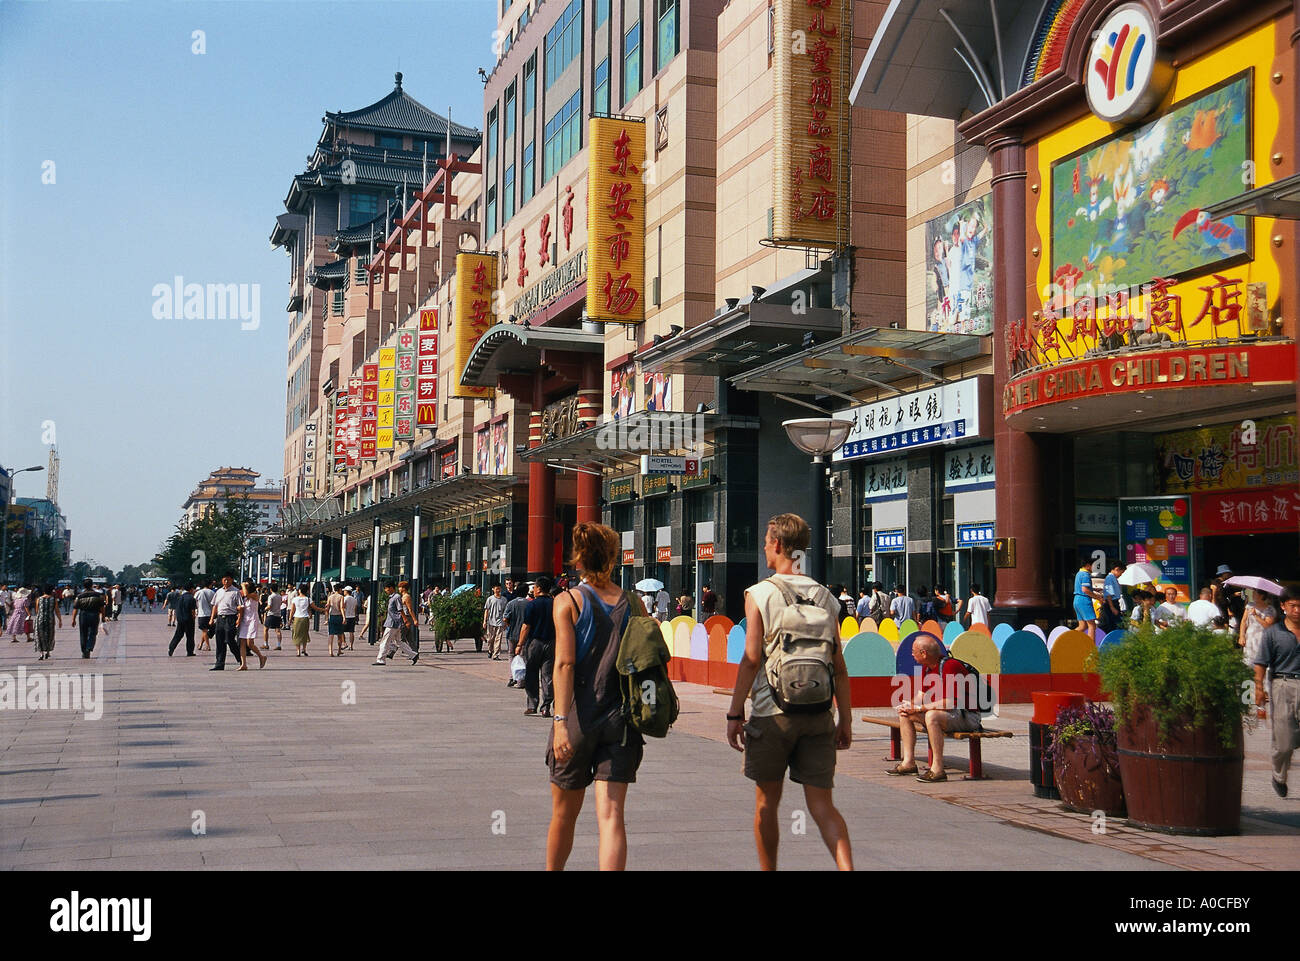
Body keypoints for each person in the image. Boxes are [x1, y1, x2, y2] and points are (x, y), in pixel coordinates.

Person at [724, 513, 853, 871]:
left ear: (778, 545)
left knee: (767, 803)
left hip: (772, 714)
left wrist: (735, 713)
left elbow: (751, 659)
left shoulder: (760, 594)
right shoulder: (825, 597)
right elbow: (838, 666)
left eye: (767, 542)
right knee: (823, 806)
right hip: (818, 714)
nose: (765, 548)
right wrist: (846, 719)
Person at [546, 524, 649, 871]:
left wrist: (560, 724)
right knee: (612, 817)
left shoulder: (568, 601)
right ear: (613, 557)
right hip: (621, 721)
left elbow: (564, 664)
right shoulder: (635, 604)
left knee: (564, 814)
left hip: (577, 718)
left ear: (577, 558)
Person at [889, 634, 983, 783]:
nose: (911, 654)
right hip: (949, 715)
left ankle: (937, 769)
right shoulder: (928, 668)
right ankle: (908, 763)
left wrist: (920, 708)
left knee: (931, 716)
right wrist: (910, 706)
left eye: (914, 651)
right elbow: (921, 695)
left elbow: (950, 702)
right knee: (905, 714)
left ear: (923, 653)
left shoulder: (950, 667)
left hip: (968, 717)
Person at [1254, 586, 1300, 797]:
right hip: (1283, 684)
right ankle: (1278, 775)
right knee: (1283, 743)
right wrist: (1258, 688)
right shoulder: (1273, 633)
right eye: (1293, 606)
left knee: (1292, 737)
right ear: (1283, 607)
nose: (1297, 610)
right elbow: (1261, 662)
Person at [518, 576, 556, 715]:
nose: (532, 590)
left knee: (531, 674)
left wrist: (519, 644)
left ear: (539, 589)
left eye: (534, 587)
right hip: (552, 643)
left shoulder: (532, 605)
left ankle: (532, 705)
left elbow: (526, 626)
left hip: (535, 643)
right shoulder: (555, 603)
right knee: (548, 675)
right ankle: (546, 707)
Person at [373, 581, 419, 665]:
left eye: (386, 588)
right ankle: (413, 655)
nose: (385, 590)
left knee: (385, 641)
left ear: (391, 588)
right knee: (399, 642)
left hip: (393, 623)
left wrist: (406, 620)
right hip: (394, 623)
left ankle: (381, 659)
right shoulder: (393, 597)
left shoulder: (396, 597)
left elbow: (400, 609)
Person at [209, 574, 244, 671]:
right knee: (219, 641)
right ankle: (219, 663)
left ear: (232, 580)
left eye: (228, 580)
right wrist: (212, 618)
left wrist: (239, 619)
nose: (226, 582)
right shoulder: (219, 591)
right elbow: (215, 606)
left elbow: (241, 607)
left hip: (230, 618)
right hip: (220, 618)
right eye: (224, 580)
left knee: (229, 640)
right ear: (222, 580)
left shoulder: (236, 592)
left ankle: (240, 659)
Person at [1239, 589, 1278, 667]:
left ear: (1261, 595)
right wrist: (1241, 636)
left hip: (1262, 638)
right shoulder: (1250, 605)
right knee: (1248, 662)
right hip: (1249, 637)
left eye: (1255, 593)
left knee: (1260, 662)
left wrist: (1256, 615)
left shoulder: (1270, 609)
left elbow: (1268, 626)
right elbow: (1243, 621)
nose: (1253, 595)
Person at [503, 584, 531, 688]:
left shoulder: (511, 603)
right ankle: (521, 680)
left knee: (511, 655)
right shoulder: (529, 604)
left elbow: (505, 619)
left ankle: (512, 677)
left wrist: (509, 626)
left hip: (512, 634)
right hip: (525, 635)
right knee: (523, 656)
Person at [71, 578, 107, 659]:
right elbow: (102, 608)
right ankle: (89, 647)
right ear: (91, 585)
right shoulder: (98, 595)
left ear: (84, 586)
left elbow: (75, 608)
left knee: (83, 633)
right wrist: (103, 618)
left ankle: (84, 651)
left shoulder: (79, 596)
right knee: (93, 632)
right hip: (94, 615)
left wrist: (73, 619)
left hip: (83, 615)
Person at [235, 581, 267, 670]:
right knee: (242, 642)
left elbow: (246, 594)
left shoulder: (254, 595)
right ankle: (243, 664)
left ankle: (261, 656)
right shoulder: (244, 598)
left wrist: (243, 585)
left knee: (250, 643)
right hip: (244, 620)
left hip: (252, 620)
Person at [168, 584, 198, 657]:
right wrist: (194, 617)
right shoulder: (191, 598)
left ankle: (171, 648)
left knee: (178, 635)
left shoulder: (180, 597)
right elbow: (192, 611)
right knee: (190, 636)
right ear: (191, 589)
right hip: (189, 619)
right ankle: (190, 651)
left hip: (180, 619)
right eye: (194, 589)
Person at [482, 583, 509, 660]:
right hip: (491, 622)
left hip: (500, 622)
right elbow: (486, 610)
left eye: (499, 588)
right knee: (490, 639)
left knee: (498, 639)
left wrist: (505, 622)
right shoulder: (490, 599)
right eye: (496, 588)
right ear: (493, 589)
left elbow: (505, 612)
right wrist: (484, 621)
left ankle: (496, 655)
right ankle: (490, 650)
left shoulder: (504, 599)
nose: (498, 590)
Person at [289, 584, 318, 656]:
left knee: (296, 634)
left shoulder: (295, 599)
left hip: (297, 618)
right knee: (305, 633)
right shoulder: (308, 599)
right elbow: (315, 608)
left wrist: (290, 619)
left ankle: (298, 651)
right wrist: (324, 609)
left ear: (300, 590)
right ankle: (304, 649)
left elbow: (292, 610)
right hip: (305, 618)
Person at [34, 585, 61, 660]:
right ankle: (48, 652)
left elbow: (37, 611)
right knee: (49, 635)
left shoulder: (38, 599)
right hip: (50, 619)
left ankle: (41, 653)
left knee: (40, 635)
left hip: (40, 619)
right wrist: (60, 620)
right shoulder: (53, 599)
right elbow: (57, 610)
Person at [1099, 563, 1125, 633]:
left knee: (1114, 624)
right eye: (1121, 573)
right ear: (1117, 569)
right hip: (1111, 603)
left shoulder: (1113, 578)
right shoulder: (1109, 578)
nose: (1120, 575)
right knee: (1111, 624)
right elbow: (1109, 594)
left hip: (1114, 602)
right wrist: (1112, 607)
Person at [325, 583, 347, 656]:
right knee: (339, 635)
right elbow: (342, 608)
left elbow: (327, 608)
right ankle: (339, 650)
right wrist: (344, 617)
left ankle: (330, 651)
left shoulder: (330, 597)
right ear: (340, 589)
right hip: (339, 616)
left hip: (332, 616)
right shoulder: (341, 597)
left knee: (331, 634)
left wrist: (326, 618)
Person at [195, 579, 216, 651]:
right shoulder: (212, 592)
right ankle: (200, 644)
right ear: (209, 585)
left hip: (201, 614)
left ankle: (207, 646)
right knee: (205, 631)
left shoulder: (198, 592)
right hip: (210, 615)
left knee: (204, 631)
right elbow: (215, 604)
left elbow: (194, 601)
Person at [263, 583, 284, 651]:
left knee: (265, 629)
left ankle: (266, 644)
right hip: (278, 614)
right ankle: (279, 645)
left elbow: (269, 606)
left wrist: (265, 609)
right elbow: (280, 604)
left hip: (271, 615)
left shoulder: (271, 597)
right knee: (278, 630)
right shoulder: (280, 596)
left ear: (271, 589)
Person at [342, 586, 358, 651]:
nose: (343, 592)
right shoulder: (354, 599)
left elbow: (343, 607)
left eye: (344, 591)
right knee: (351, 632)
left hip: (346, 616)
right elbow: (356, 608)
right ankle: (351, 645)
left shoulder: (345, 598)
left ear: (346, 591)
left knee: (341, 631)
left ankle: (344, 643)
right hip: (352, 616)